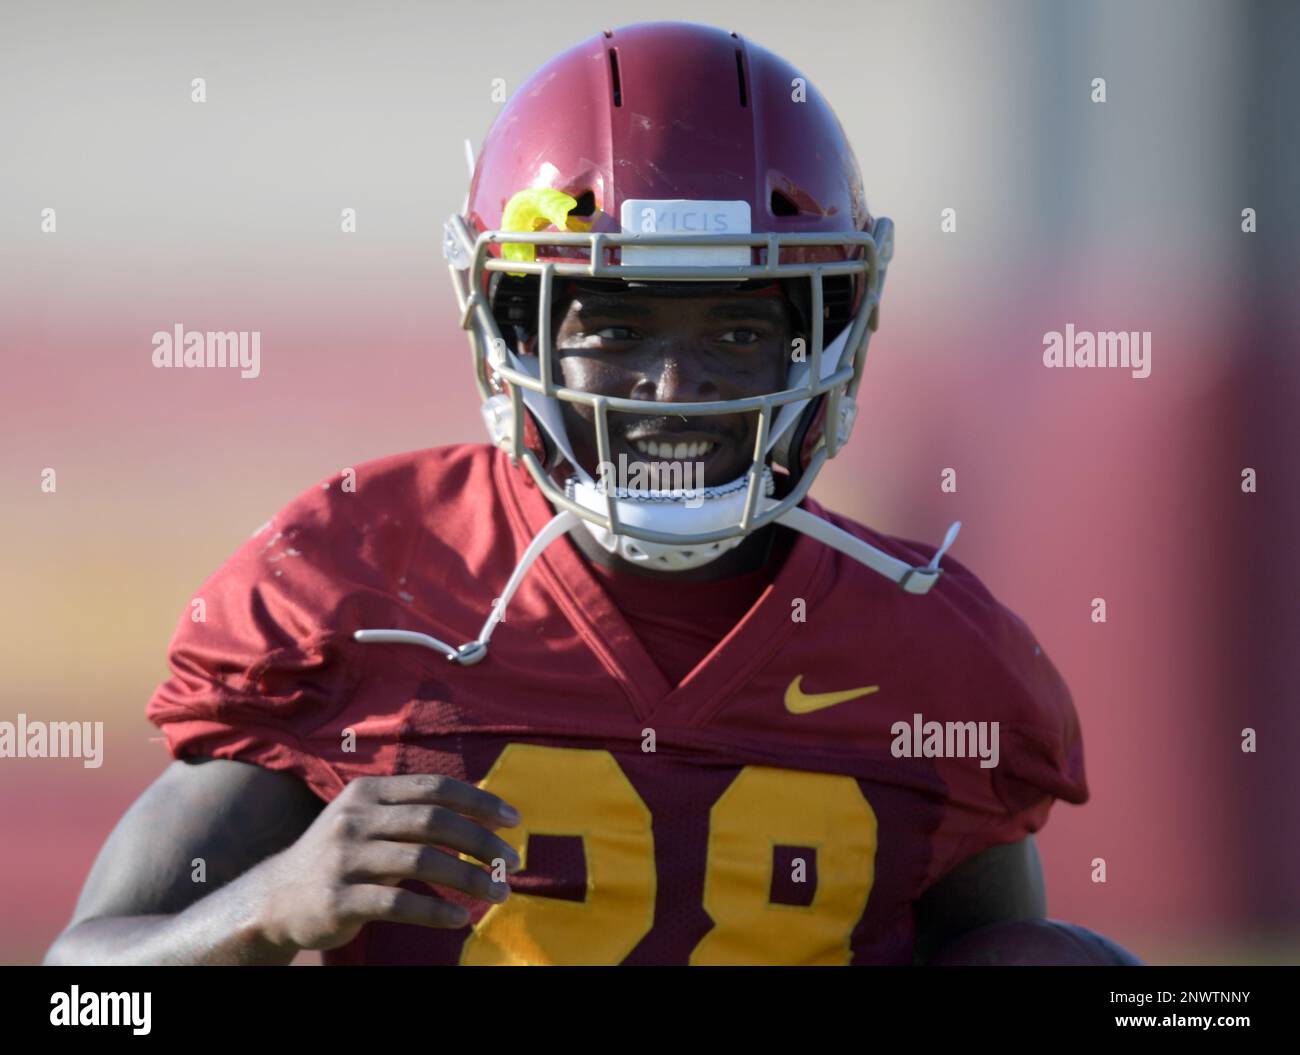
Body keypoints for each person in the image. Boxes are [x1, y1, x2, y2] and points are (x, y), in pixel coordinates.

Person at [44, 20, 1086, 966]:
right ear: (508, 328)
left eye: (734, 332)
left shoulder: (936, 659)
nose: (673, 392)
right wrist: (262, 904)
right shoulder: (353, 584)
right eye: (613, 331)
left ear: (830, 335)